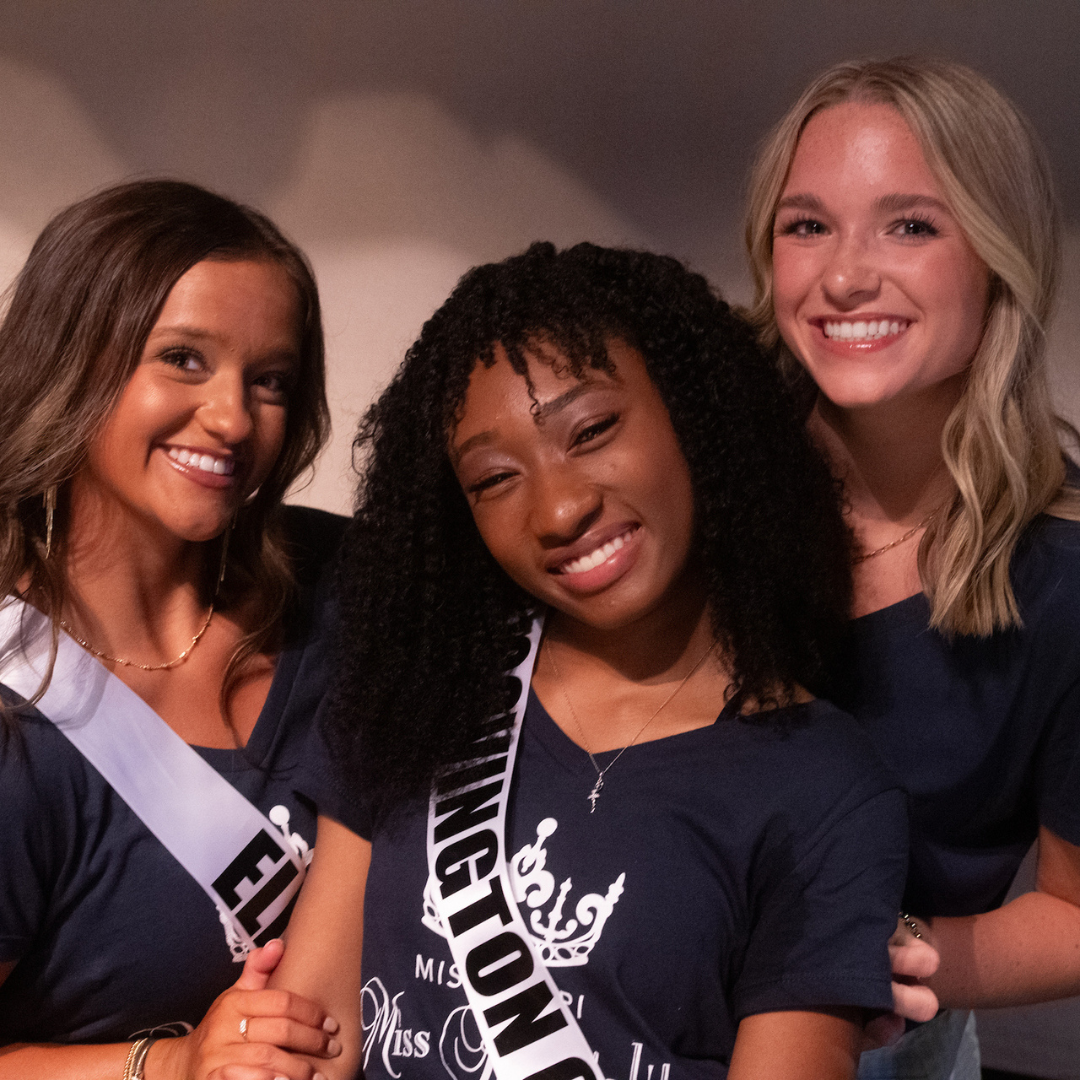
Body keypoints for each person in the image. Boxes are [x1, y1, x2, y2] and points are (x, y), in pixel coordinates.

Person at [278, 241, 910, 1080]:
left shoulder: (825, 787)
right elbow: (315, 1034)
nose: (560, 507)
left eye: (594, 430)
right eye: (495, 478)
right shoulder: (414, 694)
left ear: (695, 415)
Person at [743, 56, 1080, 1078]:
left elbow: (1073, 914)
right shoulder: (698, 473)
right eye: (807, 225)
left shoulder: (1065, 576)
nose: (845, 275)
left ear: (998, 255)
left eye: (912, 225)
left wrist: (889, 957)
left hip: (885, 1040)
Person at [0, 180, 346, 1080]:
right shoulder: (13, 717)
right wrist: (168, 1065)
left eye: (270, 380)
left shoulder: (342, 587)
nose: (234, 419)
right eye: (184, 359)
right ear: (71, 358)